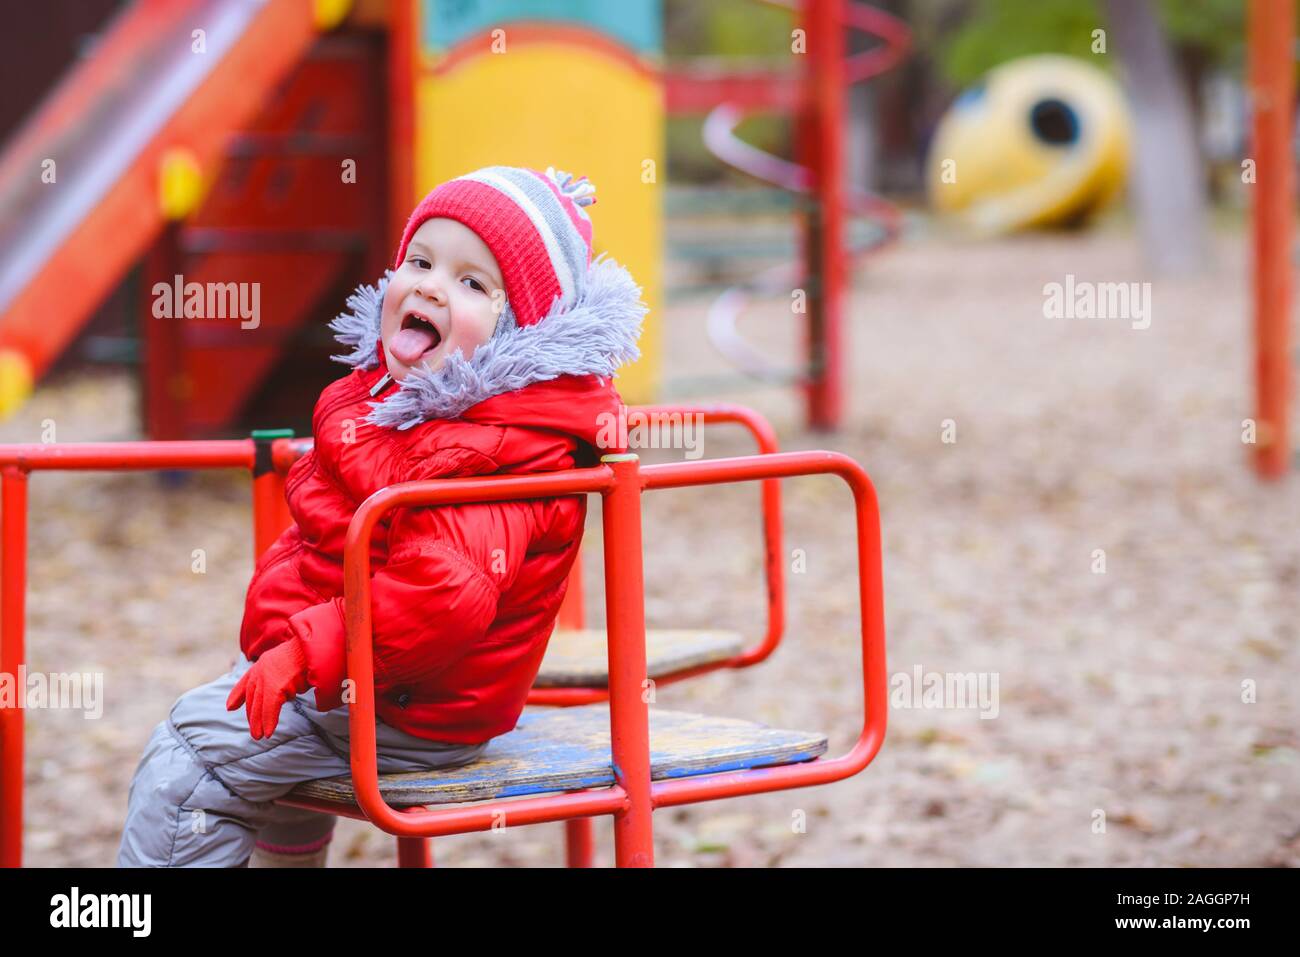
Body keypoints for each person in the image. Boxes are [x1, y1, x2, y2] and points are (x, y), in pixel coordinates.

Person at [117, 165, 646, 866]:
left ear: (521, 333)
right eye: (420, 261)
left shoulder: (492, 444)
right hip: (366, 677)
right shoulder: (390, 407)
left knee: (190, 759)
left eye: (471, 283)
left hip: (412, 704)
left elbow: (443, 597)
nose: (429, 285)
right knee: (257, 757)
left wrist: (306, 650)